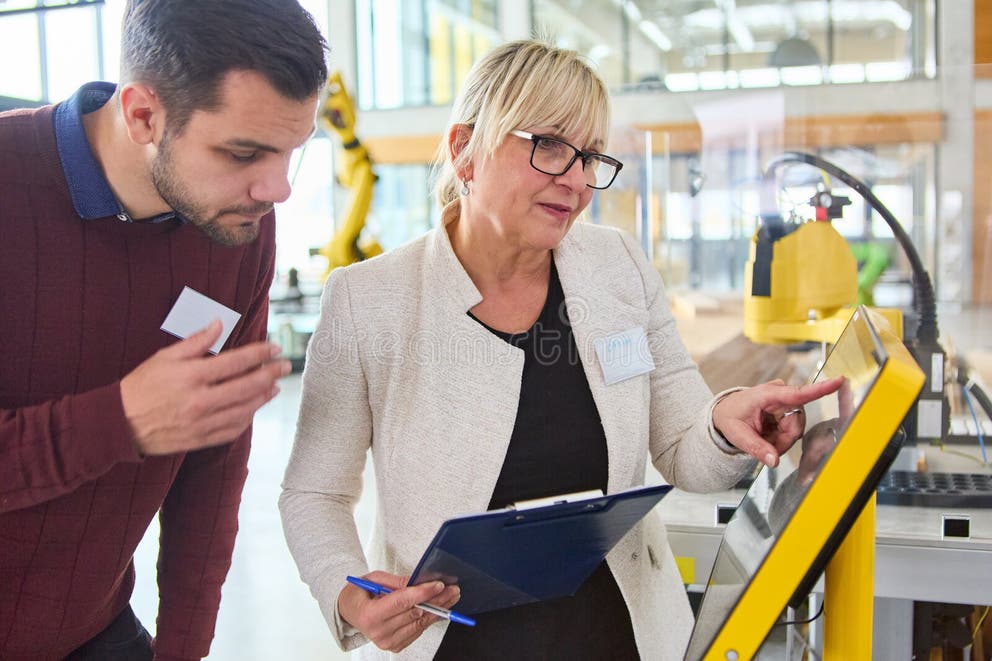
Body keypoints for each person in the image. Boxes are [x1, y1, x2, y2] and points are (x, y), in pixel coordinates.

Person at [279, 39, 841, 660]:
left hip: (617, 634)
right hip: (455, 642)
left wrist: (725, 427)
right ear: (465, 149)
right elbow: (315, 494)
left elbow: (685, 450)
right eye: (548, 146)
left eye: (590, 157)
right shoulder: (369, 299)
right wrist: (348, 594)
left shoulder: (619, 267)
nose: (576, 181)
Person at [0, 1, 327, 659]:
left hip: (93, 628)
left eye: (293, 152)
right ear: (143, 114)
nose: (277, 189)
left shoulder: (235, 223)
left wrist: (184, 645)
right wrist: (118, 420)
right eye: (244, 152)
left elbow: (215, 455)